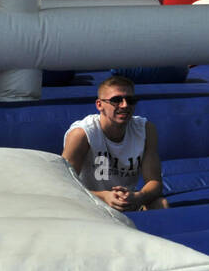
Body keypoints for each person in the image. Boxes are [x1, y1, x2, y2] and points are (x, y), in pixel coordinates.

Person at [62, 75, 168, 211]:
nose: (125, 105)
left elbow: (154, 182)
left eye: (130, 100)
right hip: (88, 203)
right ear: (99, 105)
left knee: (161, 204)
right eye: (116, 100)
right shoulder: (82, 134)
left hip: (126, 202)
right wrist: (103, 197)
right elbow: (64, 185)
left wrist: (138, 197)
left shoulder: (145, 130)